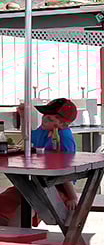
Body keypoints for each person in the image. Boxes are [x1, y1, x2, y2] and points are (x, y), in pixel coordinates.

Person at [0, 97, 80, 226]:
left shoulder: (64, 139)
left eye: (50, 119)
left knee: (29, 204)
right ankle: (7, 235)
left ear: (63, 124)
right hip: (37, 183)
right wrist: (24, 117)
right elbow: (28, 136)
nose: (44, 120)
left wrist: (72, 197)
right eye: (44, 116)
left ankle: (16, 240)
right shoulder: (45, 130)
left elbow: (65, 171)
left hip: (58, 187)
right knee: (5, 200)